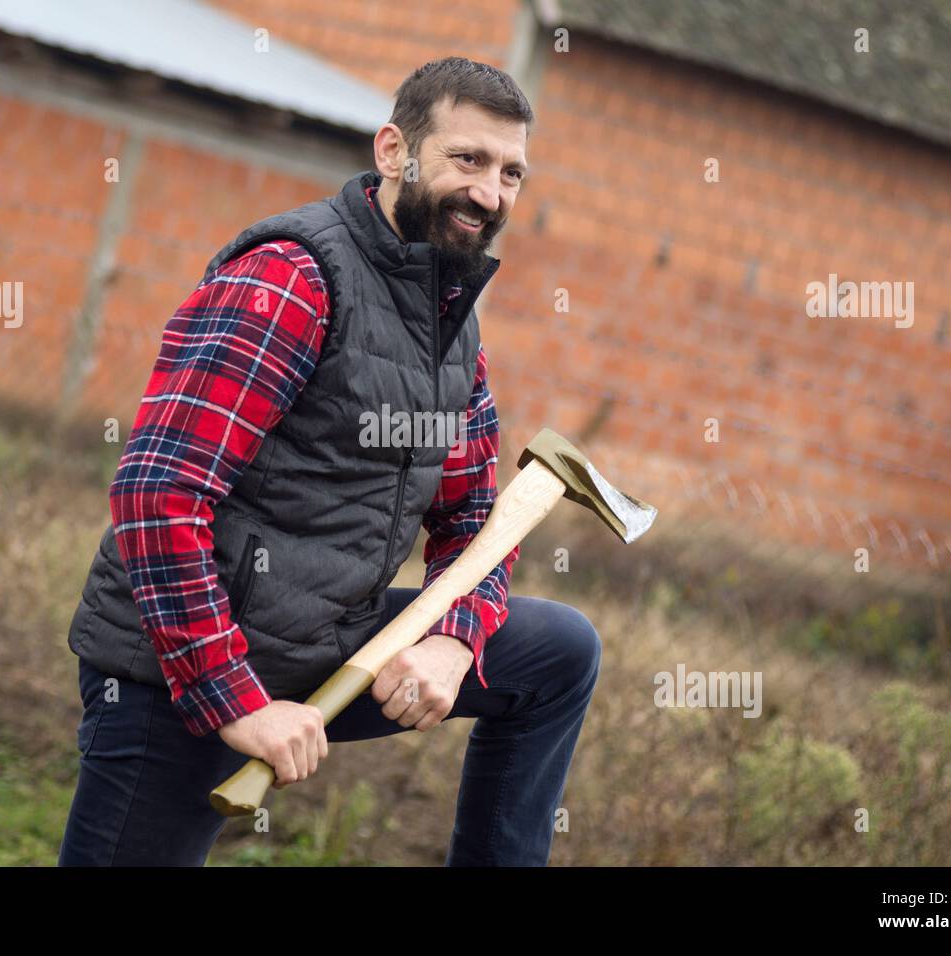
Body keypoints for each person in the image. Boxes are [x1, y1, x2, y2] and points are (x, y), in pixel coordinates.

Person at [58, 56, 601, 867]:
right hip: (180, 673)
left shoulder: (447, 326)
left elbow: (471, 523)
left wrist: (453, 640)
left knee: (558, 651)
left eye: (511, 172)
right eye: (468, 159)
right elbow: (157, 496)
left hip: (325, 648)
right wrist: (235, 701)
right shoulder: (292, 280)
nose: (489, 194)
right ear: (394, 152)